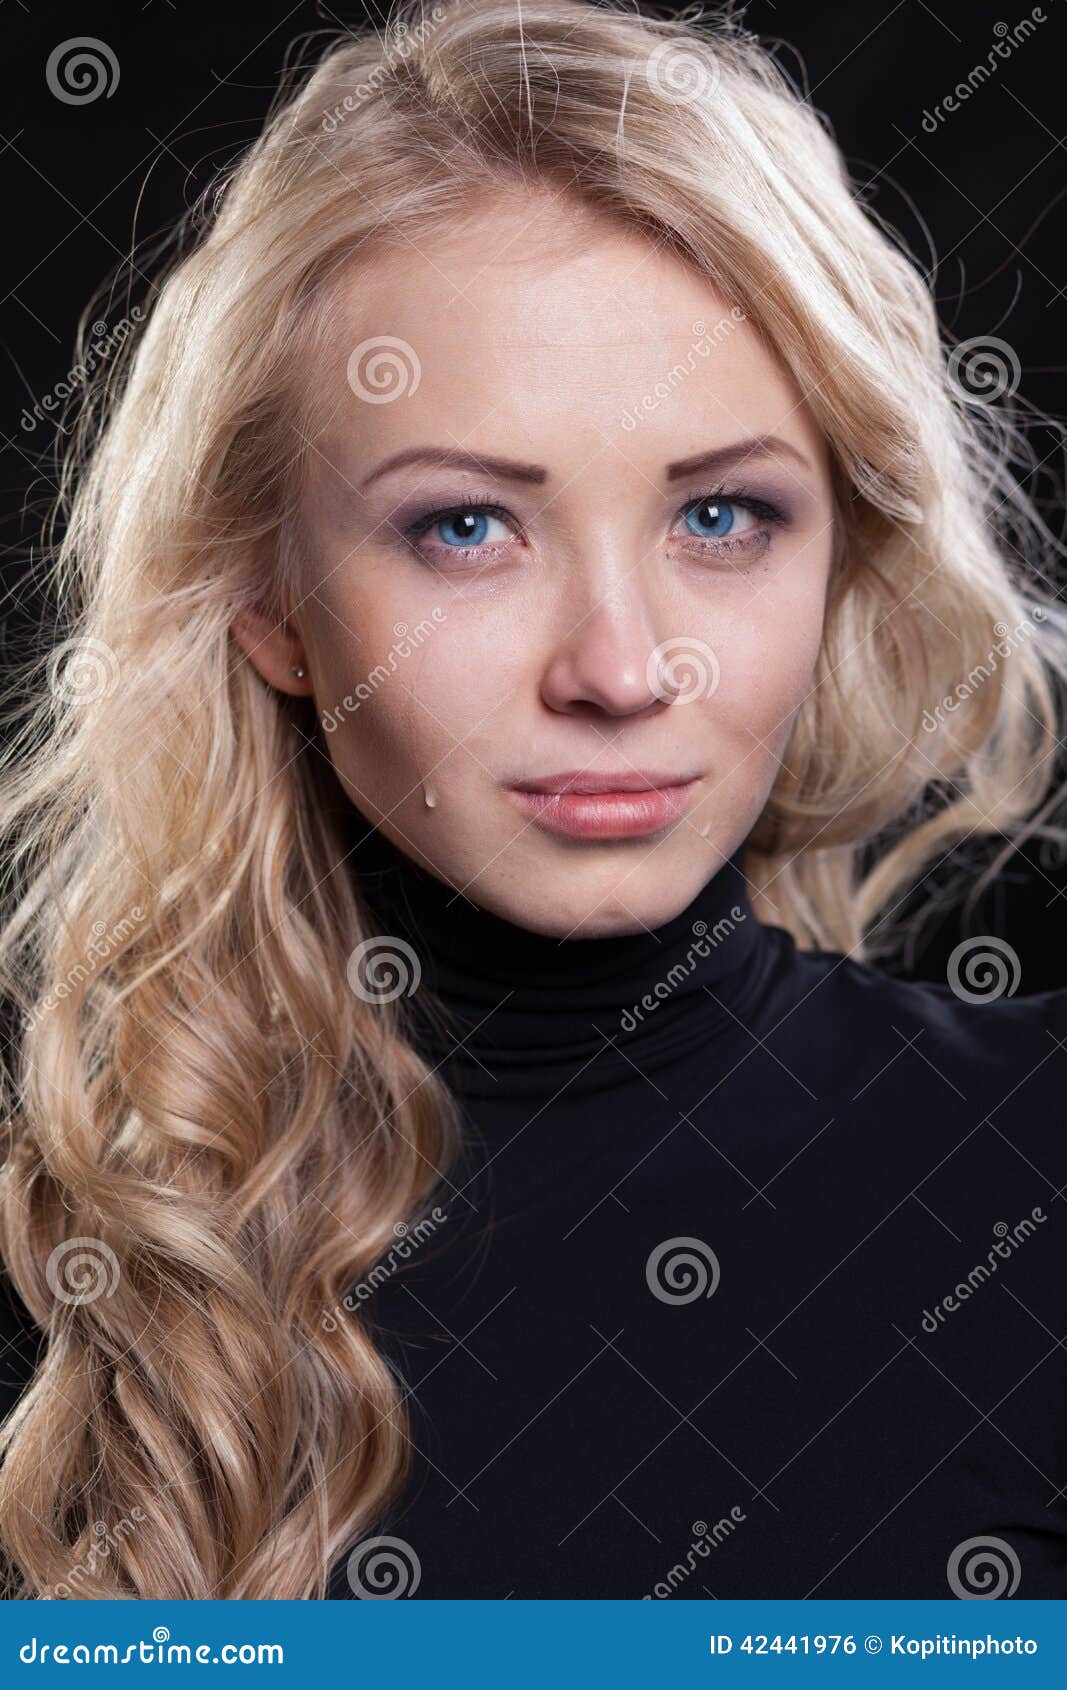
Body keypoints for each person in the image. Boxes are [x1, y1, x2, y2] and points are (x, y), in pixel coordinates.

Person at [1, 0, 1065, 1601]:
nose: (624, 670)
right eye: (467, 530)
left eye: (722, 513)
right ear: (269, 601)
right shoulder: (65, 1265)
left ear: (842, 544)